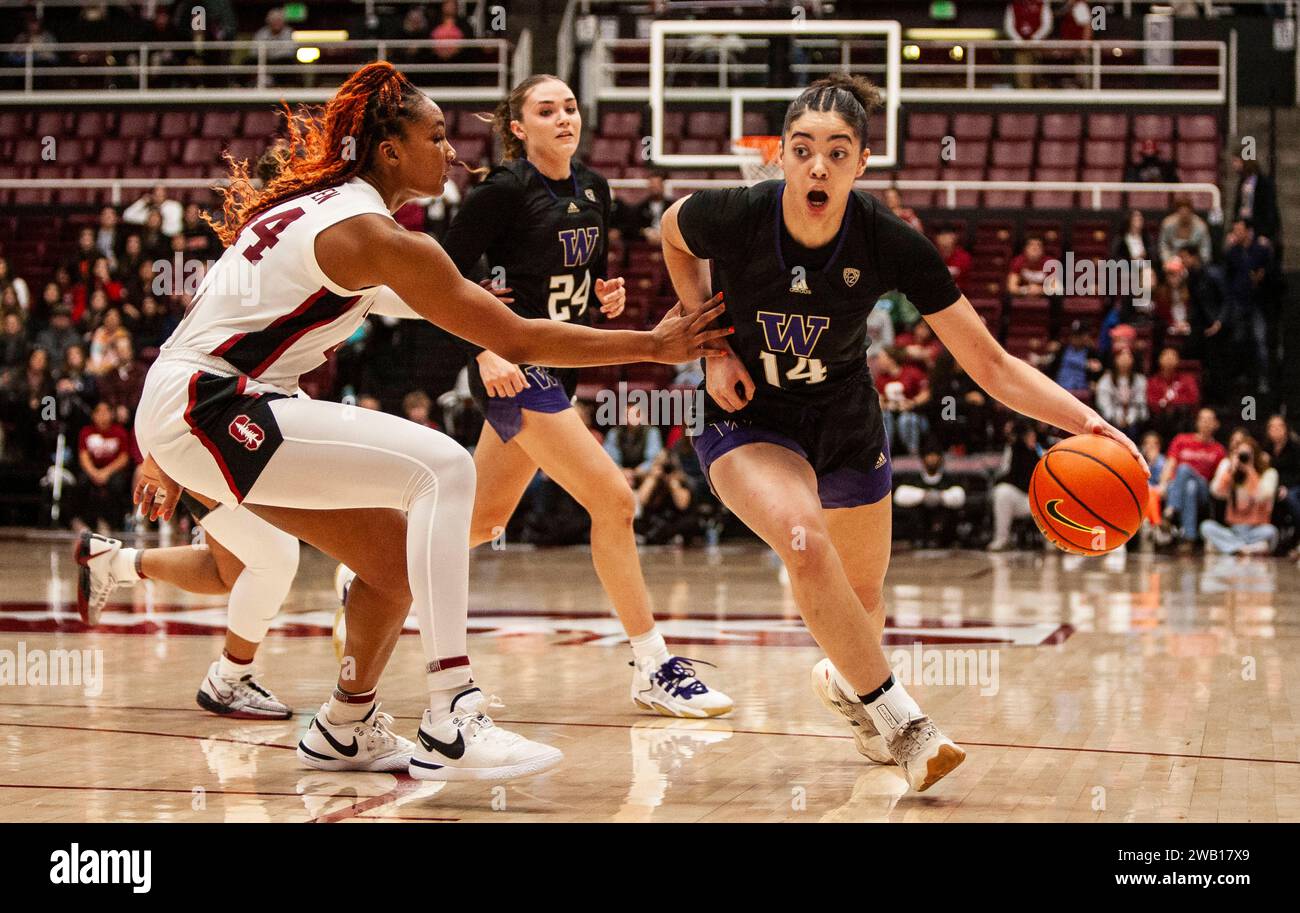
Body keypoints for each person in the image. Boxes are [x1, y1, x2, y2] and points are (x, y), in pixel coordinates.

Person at [77, 62, 729, 782]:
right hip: (211, 404)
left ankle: (345, 726)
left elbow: (383, 307)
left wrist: (169, 445)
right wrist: (653, 346)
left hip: (197, 405)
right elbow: (513, 337)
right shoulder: (368, 232)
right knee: (443, 467)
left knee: (392, 565)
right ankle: (454, 713)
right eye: (437, 136)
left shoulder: (331, 213)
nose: (452, 152)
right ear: (390, 151)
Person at [659, 73, 1144, 791]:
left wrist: (1087, 420)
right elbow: (672, 233)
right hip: (748, 413)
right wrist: (711, 343)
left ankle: (847, 682)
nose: (817, 167)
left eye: (837, 152)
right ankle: (906, 724)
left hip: (845, 417)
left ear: (862, 162)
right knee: (803, 538)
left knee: (861, 598)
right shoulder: (735, 213)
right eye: (802, 149)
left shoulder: (891, 242)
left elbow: (990, 363)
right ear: (781, 155)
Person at [422, 73, 730, 718]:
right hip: (514, 367)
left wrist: (601, 296)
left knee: (483, 523)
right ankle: (653, 665)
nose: (564, 117)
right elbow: (438, 278)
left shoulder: (595, 188)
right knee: (614, 499)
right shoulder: (502, 190)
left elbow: (578, 280)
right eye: (546, 110)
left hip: (560, 365)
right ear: (518, 127)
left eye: (569, 107)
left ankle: (370, 571)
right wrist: (484, 349)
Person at [1157, 406, 1226, 550]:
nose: (1206, 423)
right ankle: (1189, 537)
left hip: (1203, 489)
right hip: (1177, 486)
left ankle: (1170, 510)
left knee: (1184, 469)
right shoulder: (1181, 440)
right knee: (1190, 487)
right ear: (1197, 422)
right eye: (1202, 419)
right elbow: (1170, 464)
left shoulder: (1218, 449)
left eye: (1209, 420)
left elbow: (1220, 477)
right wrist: (1162, 485)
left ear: (1216, 424)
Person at [1199, 435, 1278, 555]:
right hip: (1234, 529)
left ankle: (1227, 546)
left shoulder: (1268, 473)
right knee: (1206, 526)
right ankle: (1246, 548)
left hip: (1256, 528)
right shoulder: (1232, 474)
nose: (1243, 457)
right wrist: (1231, 469)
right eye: (1240, 454)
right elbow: (1217, 492)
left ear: (1255, 455)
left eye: (1247, 454)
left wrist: (1250, 470)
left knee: (1271, 531)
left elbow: (1261, 496)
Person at [72, 401, 133, 534]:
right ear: (93, 415)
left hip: (112, 470)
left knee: (117, 485)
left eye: (106, 412)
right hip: (92, 469)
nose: (102, 416)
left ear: (112, 414)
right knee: (82, 483)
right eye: (99, 412)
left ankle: (112, 522)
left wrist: (106, 472)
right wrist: (94, 472)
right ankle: (84, 521)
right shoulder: (86, 432)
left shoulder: (119, 432)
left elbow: (124, 458)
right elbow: (83, 456)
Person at [893, 446, 970, 548]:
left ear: (941, 459)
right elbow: (899, 496)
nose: (932, 459)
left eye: (935, 456)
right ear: (923, 459)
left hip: (944, 535)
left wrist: (940, 497)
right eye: (929, 456)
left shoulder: (949, 480)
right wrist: (923, 496)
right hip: (918, 533)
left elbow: (960, 497)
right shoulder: (913, 479)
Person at [1264, 413, 1300, 554]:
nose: (1276, 430)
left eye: (1279, 426)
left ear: (1286, 429)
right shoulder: (1266, 449)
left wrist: (1285, 487)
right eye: (1272, 427)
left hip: (1294, 486)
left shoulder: (1295, 448)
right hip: (1274, 487)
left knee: (1290, 497)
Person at [1095, 347, 1148, 441]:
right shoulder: (1106, 380)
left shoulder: (1140, 380)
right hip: (1112, 420)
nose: (1125, 359)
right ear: (1115, 359)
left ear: (1133, 360)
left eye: (1128, 356)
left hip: (1134, 421)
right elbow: (1104, 404)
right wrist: (1118, 418)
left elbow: (1141, 403)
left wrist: (1130, 419)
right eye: (1121, 356)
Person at [1231, 153, 1280, 243]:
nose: (1234, 164)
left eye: (1236, 161)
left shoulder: (1263, 182)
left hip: (1259, 228)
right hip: (1244, 226)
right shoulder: (1242, 182)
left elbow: (1269, 209)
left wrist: (1265, 234)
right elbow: (1238, 207)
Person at [1158, 196, 1211, 264]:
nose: (1184, 216)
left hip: (1195, 263)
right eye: (1181, 213)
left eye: (1187, 213)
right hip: (1172, 261)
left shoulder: (1201, 227)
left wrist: (1196, 261)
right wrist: (1167, 261)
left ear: (1191, 212)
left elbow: (1205, 249)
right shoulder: (1167, 224)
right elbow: (1163, 246)